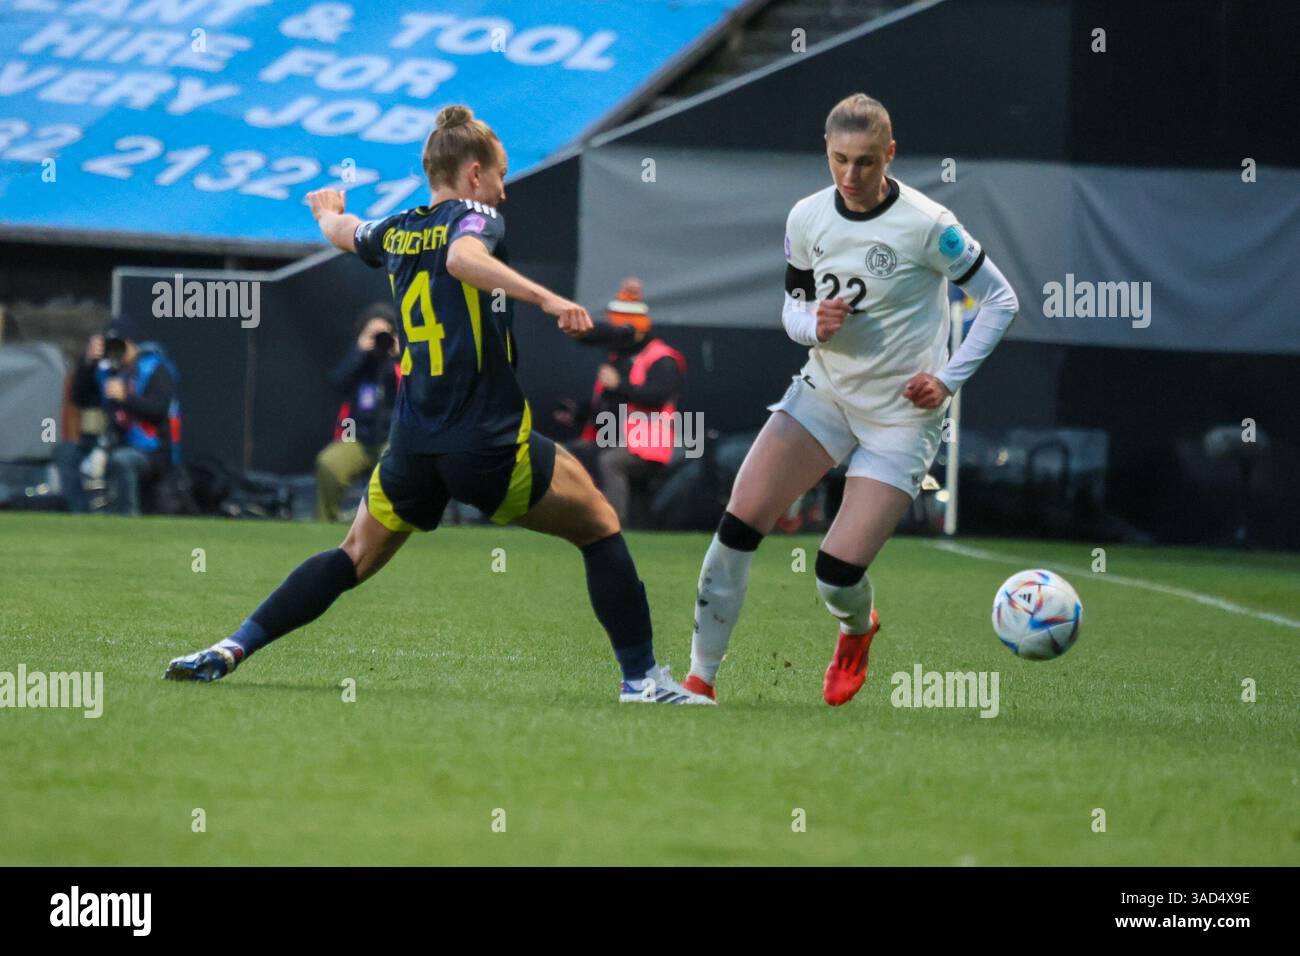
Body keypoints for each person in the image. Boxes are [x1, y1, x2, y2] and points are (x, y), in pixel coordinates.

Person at [164, 104, 711, 704]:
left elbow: (347, 235)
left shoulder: (399, 228)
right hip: (486, 442)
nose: (503, 191)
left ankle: (230, 647)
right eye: (499, 176)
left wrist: (327, 213)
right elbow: (462, 259)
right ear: (474, 174)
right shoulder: (474, 216)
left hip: (414, 444)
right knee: (601, 527)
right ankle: (641, 682)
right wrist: (548, 300)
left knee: (352, 555)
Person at [680, 93, 1020, 705]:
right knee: (737, 524)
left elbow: (1001, 300)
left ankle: (856, 628)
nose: (851, 175)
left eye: (866, 161)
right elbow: (792, 304)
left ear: (890, 155)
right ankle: (700, 679)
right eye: (840, 159)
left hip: (902, 418)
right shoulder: (807, 217)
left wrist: (949, 378)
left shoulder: (928, 224)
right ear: (826, 151)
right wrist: (814, 325)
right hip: (825, 395)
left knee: (835, 574)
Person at [556, 277, 686, 523]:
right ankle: (565, 520)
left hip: (647, 446)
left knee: (611, 462)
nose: (614, 335)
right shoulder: (619, 357)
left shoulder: (662, 358)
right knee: (564, 455)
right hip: (610, 437)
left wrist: (620, 385)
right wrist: (579, 414)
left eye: (620, 330)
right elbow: (608, 406)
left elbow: (657, 397)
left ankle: (613, 526)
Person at [58, 318, 181, 515]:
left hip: (152, 449)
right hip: (113, 443)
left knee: (122, 460)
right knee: (67, 452)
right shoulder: (108, 372)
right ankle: (81, 514)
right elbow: (80, 399)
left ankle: (127, 517)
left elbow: (157, 410)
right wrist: (88, 363)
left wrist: (125, 397)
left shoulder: (154, 369)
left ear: (131, 343)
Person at [315, 303, 401, 522]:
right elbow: (337, 382)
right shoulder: (358, 365)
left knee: (402, 469)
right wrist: (359, 352)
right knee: (329, 463)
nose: (379, 340)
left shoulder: (399, 365)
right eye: (373, 334)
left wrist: (397, 357)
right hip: (358, 439)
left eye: (384, 334)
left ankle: (394, 528)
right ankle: (325, 524)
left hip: (392, 441)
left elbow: (415, 390)